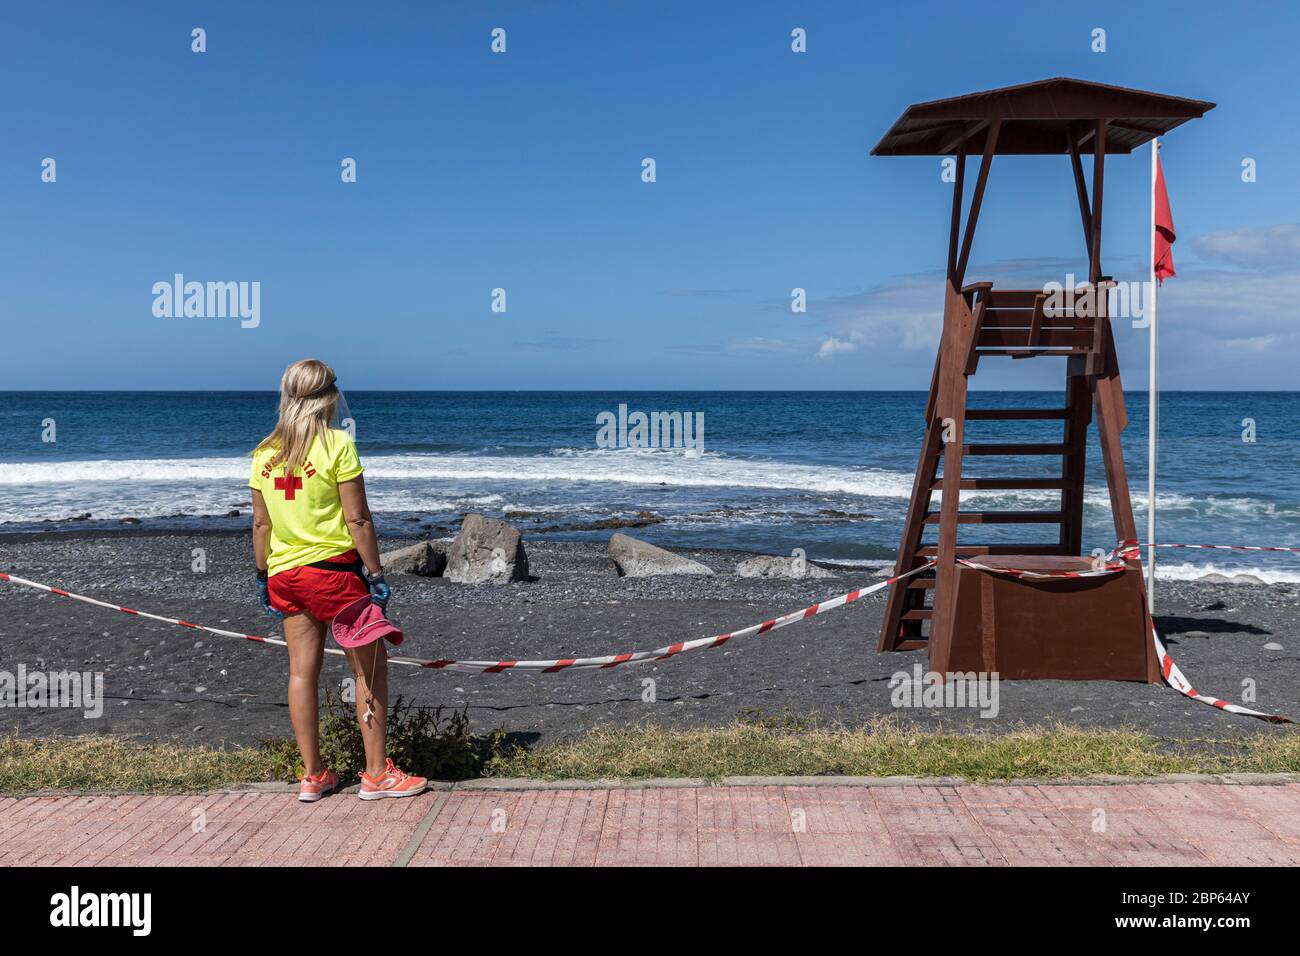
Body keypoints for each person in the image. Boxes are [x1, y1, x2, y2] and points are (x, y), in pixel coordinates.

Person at [249, 358, 427, 802]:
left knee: (301, 674)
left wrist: (261, 575)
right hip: (335, 576)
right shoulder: (337, 445)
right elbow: (358, 518)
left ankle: (313, 775)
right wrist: (376, 573)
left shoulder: (263, 453)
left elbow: (260, 526)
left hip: (286, 575)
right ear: (330, 396)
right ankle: (376, 774)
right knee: (369, 669)